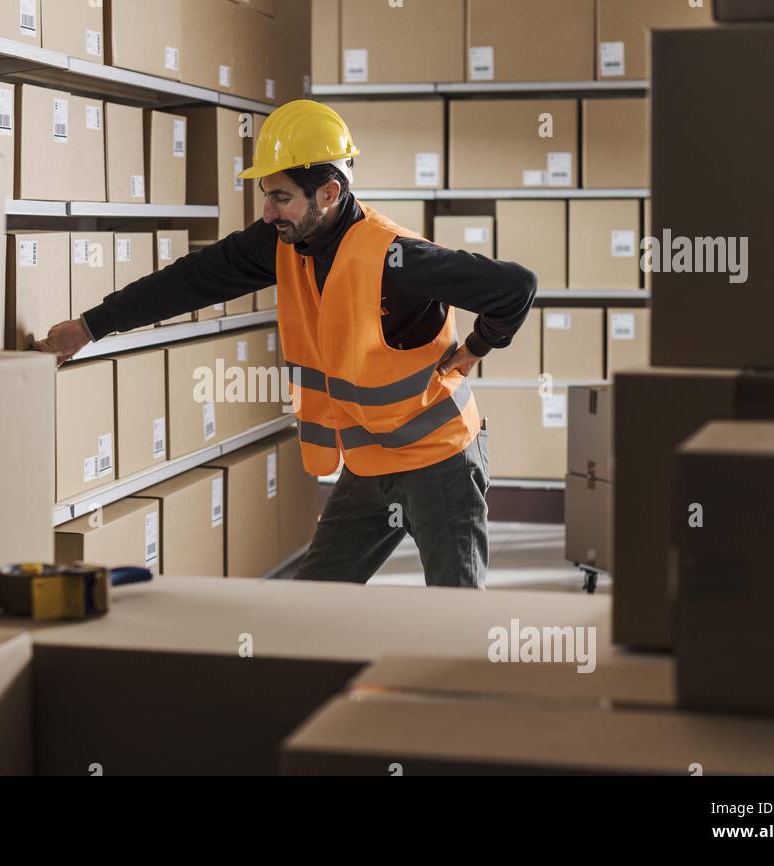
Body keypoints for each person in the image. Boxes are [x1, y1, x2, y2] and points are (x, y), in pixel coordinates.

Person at [37, 100, 536, 588]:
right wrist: (90, 326)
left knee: (457, 621)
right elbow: (190, 280)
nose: (268, 210)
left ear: (328, 192)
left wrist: (476, 346)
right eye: (265, 194)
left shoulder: (396, 258)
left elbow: (515, 286)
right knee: (311, 603)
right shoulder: (281, 242)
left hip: (440, 462)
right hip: (367, 467)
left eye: (280, 196)